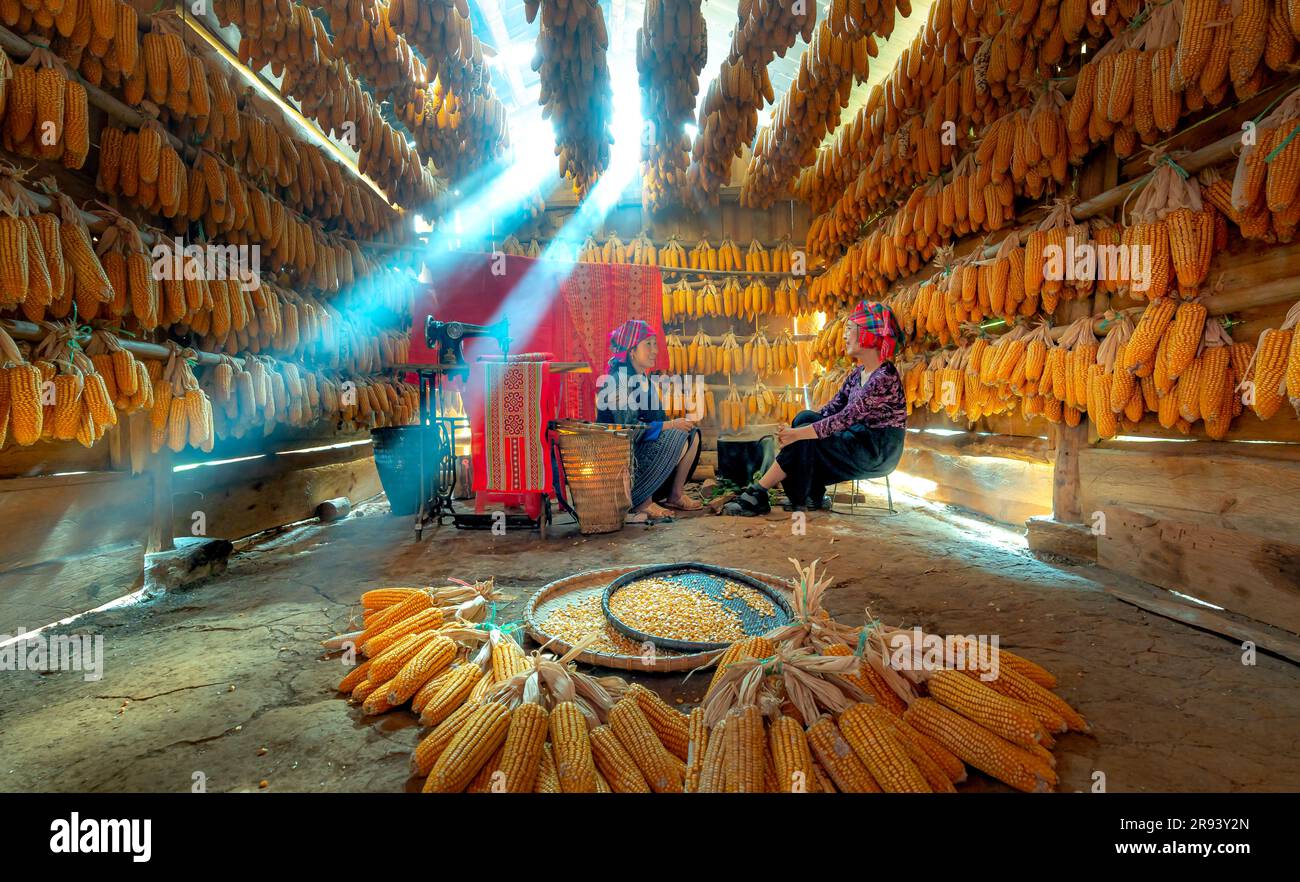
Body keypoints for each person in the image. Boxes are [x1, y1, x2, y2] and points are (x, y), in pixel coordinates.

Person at [724, 300, 907, 515]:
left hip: (876, 450)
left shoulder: (884, 378)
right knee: (805, 417)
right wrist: (798, 429)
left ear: (868, 335)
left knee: (805, 437)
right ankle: (810, 494)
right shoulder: (858, 374)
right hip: (856, 440)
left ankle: (760, 491)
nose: (845, 336)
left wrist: (798, 434)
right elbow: (830, 411)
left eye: (849, 330)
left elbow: (844, 419)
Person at [596, 319, 703, 523]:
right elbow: (628, 429)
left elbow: (658, 419)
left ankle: (675, 495)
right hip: (618, 456)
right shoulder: (618, 380)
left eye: (655, 344)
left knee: (691, 434)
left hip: (639, 447)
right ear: (632, 351)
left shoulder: (643, 380)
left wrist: (673, 424)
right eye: (648, 344)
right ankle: (642, 502)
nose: (655, 350)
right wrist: (670, 425)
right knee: (675, 435)